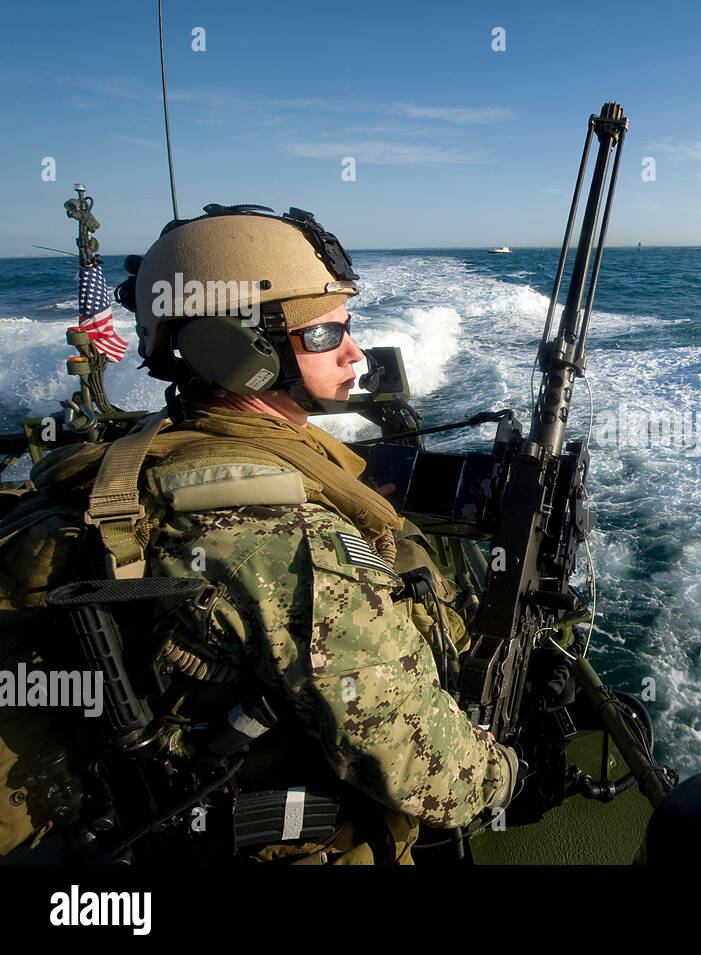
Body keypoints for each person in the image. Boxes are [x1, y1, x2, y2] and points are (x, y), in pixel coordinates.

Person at [55, 203, 513, 863]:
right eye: (325, 334)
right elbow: (438, 777)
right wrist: (507, 772)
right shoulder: (290, 540)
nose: (355, 352)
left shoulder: (147, 455)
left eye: (347, 328)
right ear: (239, 352)